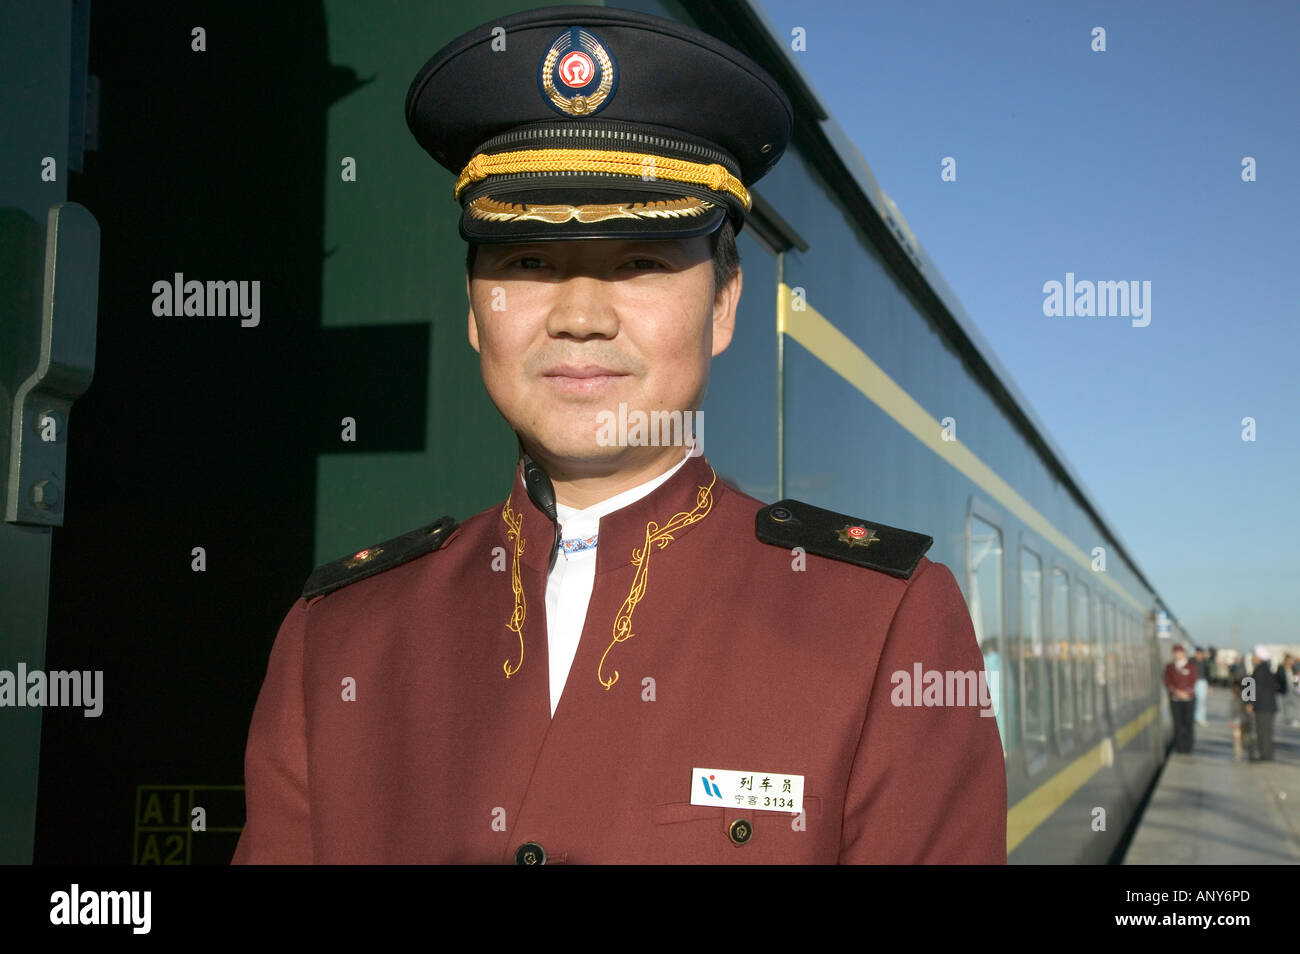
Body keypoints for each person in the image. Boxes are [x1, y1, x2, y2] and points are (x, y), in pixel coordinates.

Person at [231, 5, 1007, 864]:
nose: (580, 316)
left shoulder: (884, 626)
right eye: (527, 262)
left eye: (639, 260)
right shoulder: (338, 636)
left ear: (724, 303)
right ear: (474, 310)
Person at [1245, 646, 1278, 761]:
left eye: (1254, 655)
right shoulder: (1266, 669)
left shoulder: (1259, 670)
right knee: (1267, 732)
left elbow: (1255, 688)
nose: (1252, 657)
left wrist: (1249, 703)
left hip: (1263, 707)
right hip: (1268, 706)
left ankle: (1265, 755)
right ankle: (1267, 754)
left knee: (1263, 732)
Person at [1164, 643, 1197, 753]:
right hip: (1175, 699)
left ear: (1183, 653)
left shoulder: (1191, 667)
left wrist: (1186, 693)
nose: (1177, 655)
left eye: (1179, 653)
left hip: (1188, 699)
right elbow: (1167, 681)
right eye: (1175, 653)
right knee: (1177, 724)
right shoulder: (1170, 667)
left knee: (1188, 723)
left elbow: (1193, 681)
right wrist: (1175, 691)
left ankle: (1188, 746)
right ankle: (1179, 747)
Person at [1193, 647, 1209, 727]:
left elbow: (1208, 674)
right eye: (1197, 653)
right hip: (1193, 682)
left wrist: (1209, 685)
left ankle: (1201, 719)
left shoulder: (1205, 662)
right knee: (1194, 701)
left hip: (1202, 682)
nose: (1198, 655)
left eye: (1200, 654)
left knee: (1201, 701)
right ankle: (1194, 719)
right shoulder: (1192, 661)